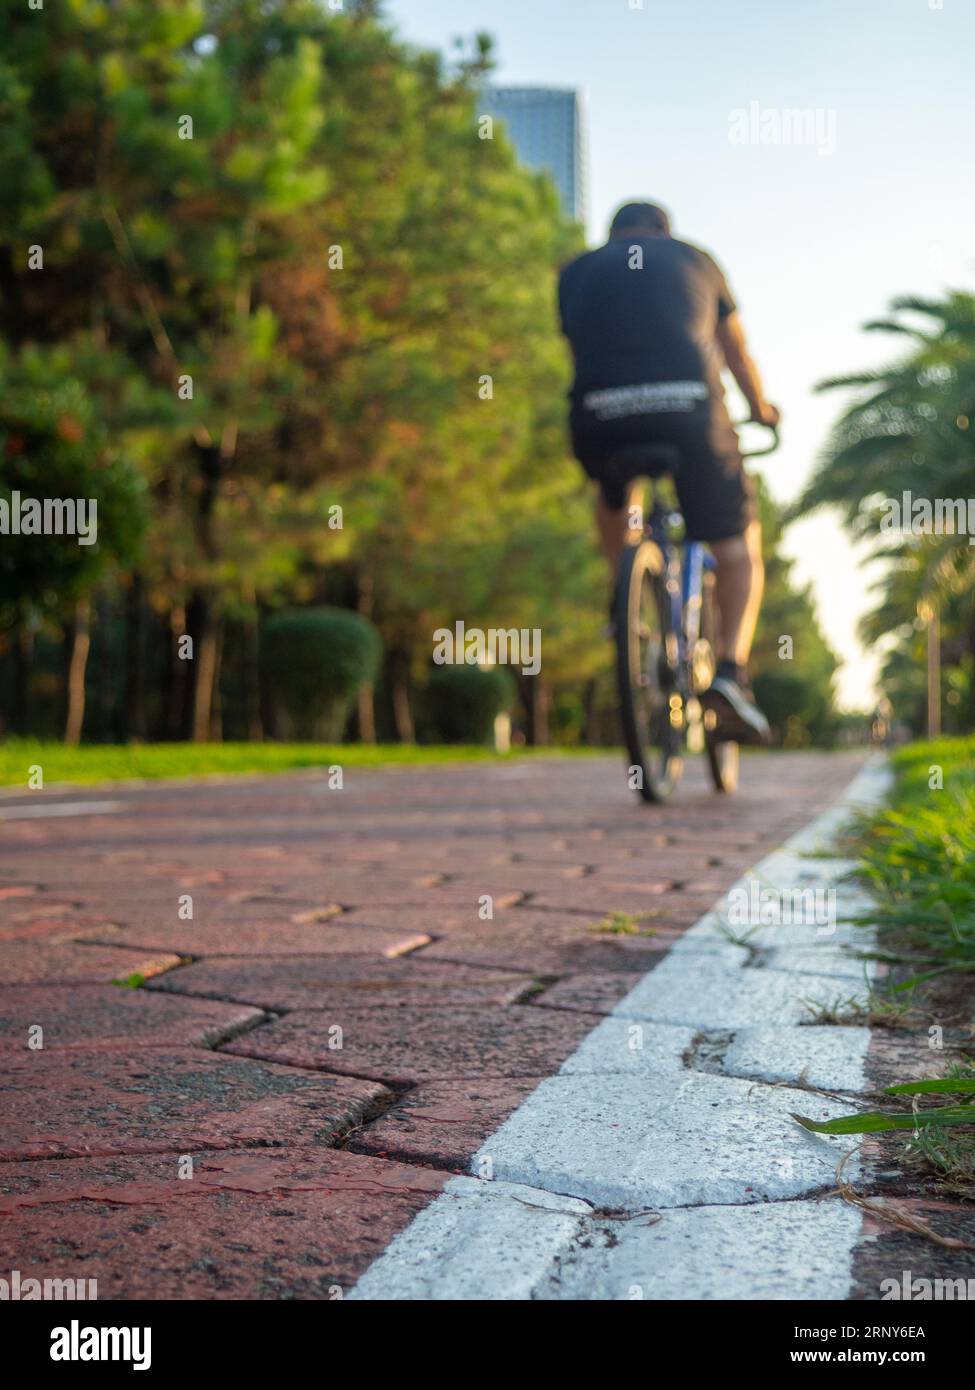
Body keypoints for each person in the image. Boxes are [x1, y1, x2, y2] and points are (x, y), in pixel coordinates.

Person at [558, 200, 780, 745]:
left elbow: (583, 345)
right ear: (664, 230)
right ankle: (729, 673)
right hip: (690, 411)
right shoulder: (695, 259)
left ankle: (627, 598)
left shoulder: (576, 271)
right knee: (736, 546)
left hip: (599, 415)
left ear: (613, 235)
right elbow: (735, 351)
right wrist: (761, 409)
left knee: (615, 492)